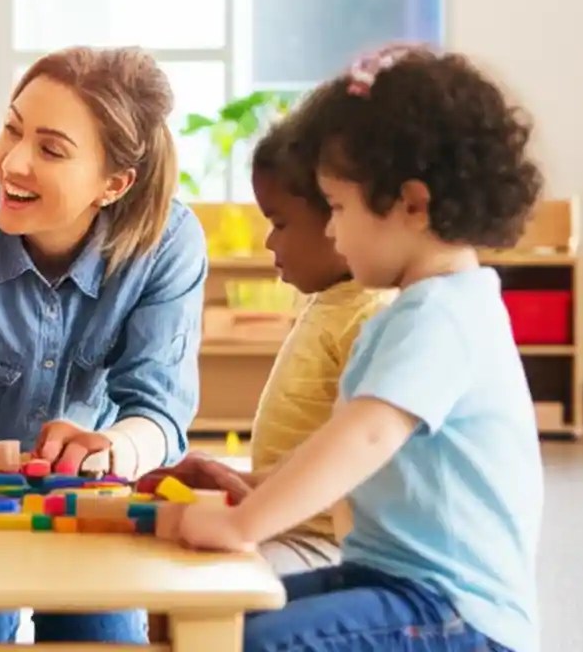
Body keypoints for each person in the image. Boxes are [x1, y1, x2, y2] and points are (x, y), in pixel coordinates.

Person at [158, 45, 544, 652]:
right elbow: (340, 448)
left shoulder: (441, 317)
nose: (332, 230)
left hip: (454, 611)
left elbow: (364, 438)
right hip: (392, 578)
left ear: (412, 205)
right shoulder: (426, 309)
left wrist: (241, 525)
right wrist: (258, 487)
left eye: (338, 207)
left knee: (251, 644)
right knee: (222, 621)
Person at [0, 46, 207, 644]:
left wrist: (109, 448)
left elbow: (158, 411)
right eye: (12, 130)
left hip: (89, 505)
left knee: (97, 631)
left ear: (113, 183)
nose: (13, 162)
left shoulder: (167, 243)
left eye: (50, 149)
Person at [142, 118, 391, 575]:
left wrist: (246, 516)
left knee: (196, 581)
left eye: (280, 223)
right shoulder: (334, 302)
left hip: (321, 543)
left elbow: (362, 453)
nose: (269, 241)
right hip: (282, 521)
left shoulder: (368, 314)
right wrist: (245, 483)